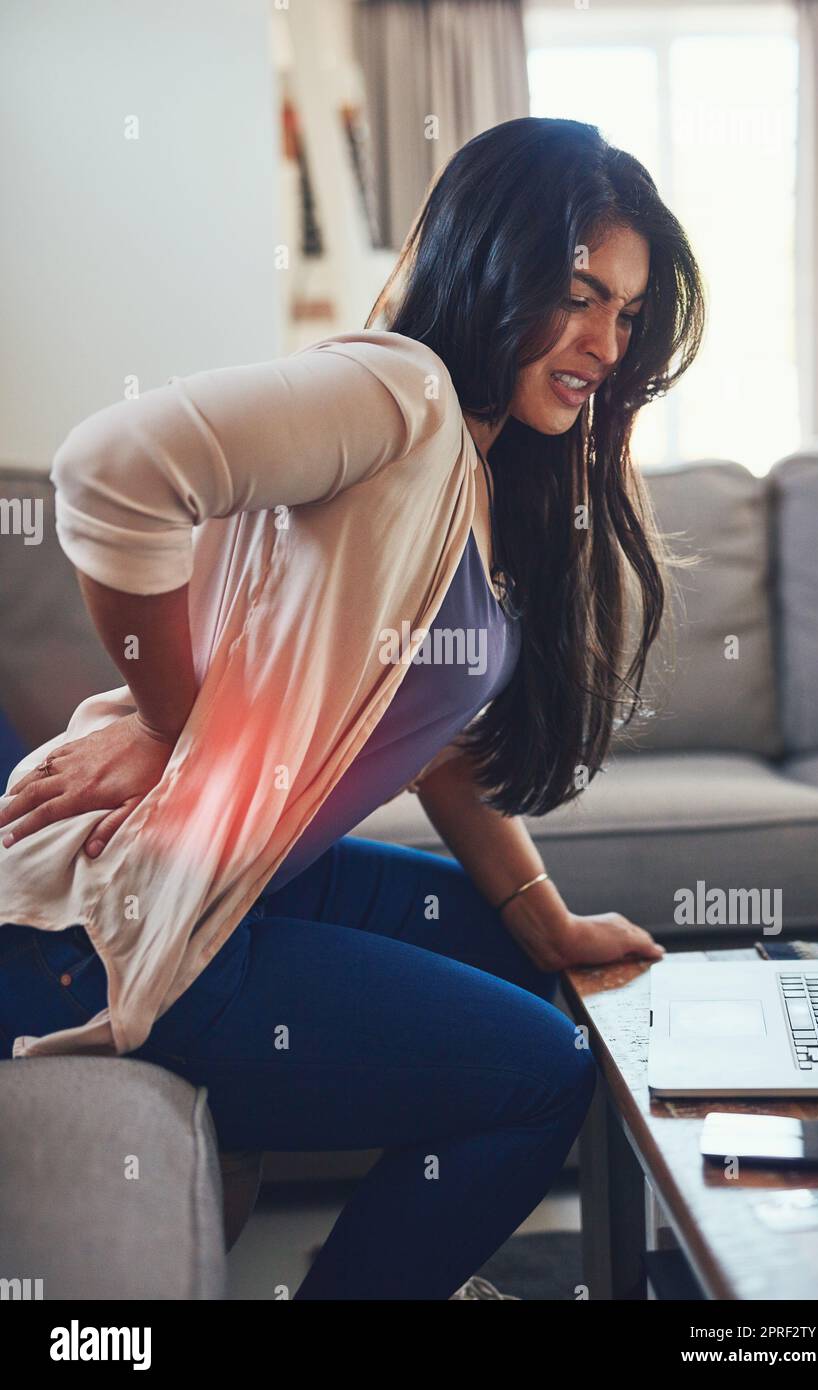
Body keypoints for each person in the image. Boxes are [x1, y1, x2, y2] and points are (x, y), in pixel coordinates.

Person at [0, 117, 704, 1300]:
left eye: (625, 313)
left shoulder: (484, 469)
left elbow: (437, 748)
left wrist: (544, 916)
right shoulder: (398, 391)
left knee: (531, 980)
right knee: (541, 1070)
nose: (602, 341)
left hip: (244, 882)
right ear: (490, 265)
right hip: (103, 928)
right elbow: (112, 466)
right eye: (578, 294)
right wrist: (182, 733)